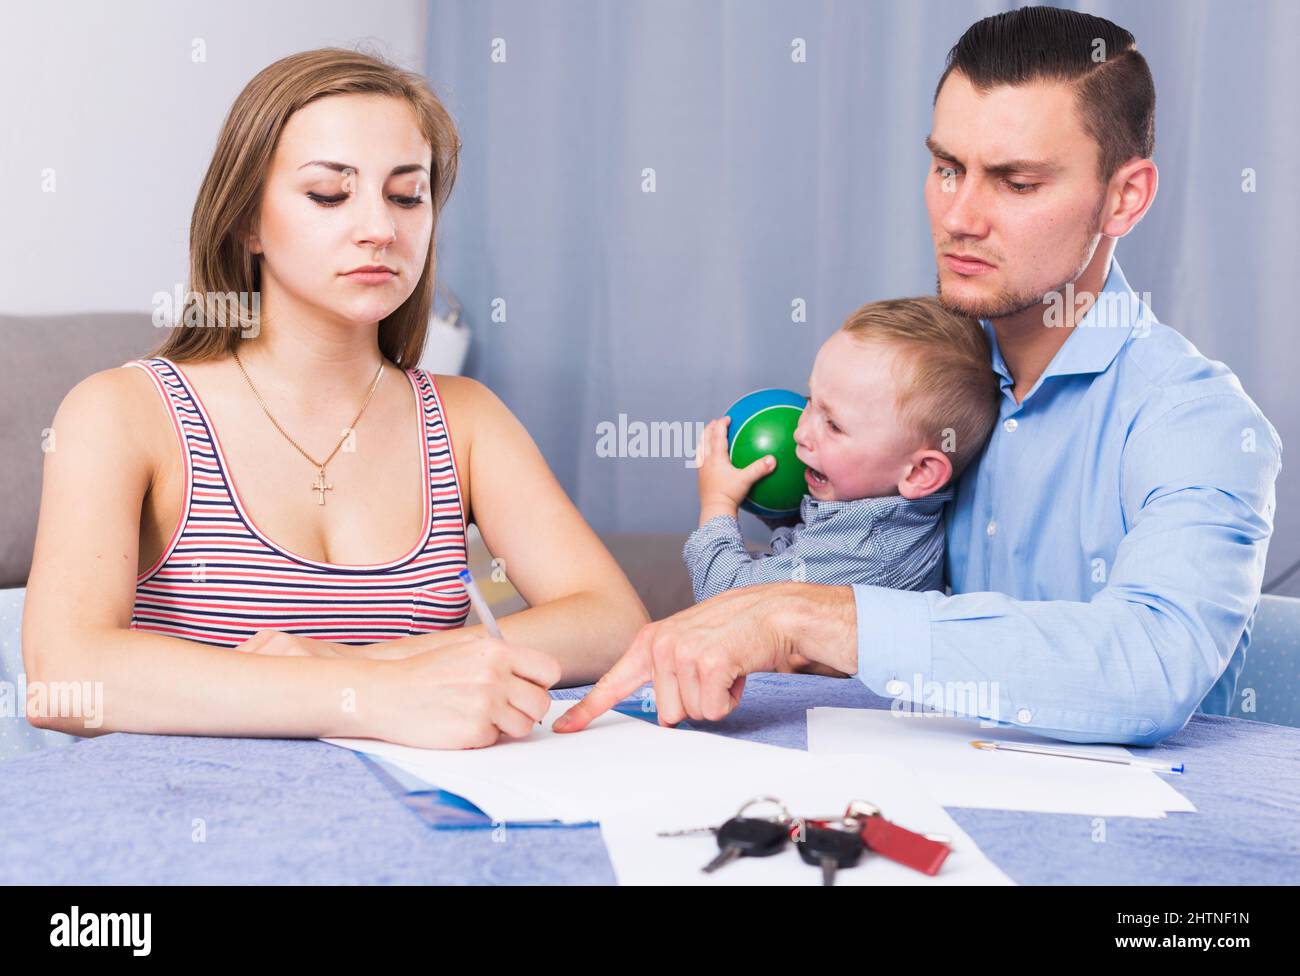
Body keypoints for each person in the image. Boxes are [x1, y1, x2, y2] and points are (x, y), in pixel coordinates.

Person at [555, 8, 1282, 746]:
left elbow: (1152, 664)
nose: (959, 216)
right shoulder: (920, 376)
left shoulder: (1197, 422)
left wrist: (807, 615)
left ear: (1124, 197)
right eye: (947, 168)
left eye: (1016, 182)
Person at [23, 49, 648, 750]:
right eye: (329, 194)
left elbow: (610, 618)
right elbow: (61, 675)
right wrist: (367, 697)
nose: (381, 228)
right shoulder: (120, 411)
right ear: (246, 223)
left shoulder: (466, 418)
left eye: (407, 195)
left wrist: (357, 668)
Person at [684, 297, 998, 603]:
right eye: (809, 401)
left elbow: (725, 603)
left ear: (919, 472)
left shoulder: (866, 549)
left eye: (833, 425)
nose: (800, 431)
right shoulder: (875, 502)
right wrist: (778, 508)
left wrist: (718, 502)